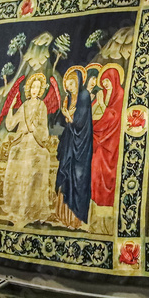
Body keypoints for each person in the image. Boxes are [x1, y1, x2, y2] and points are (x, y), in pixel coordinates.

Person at [2, 73, 55, 225]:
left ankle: (30, 208)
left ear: (40, 91)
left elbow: (44, 132)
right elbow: (11, 125)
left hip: (35, 141)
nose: (35, 90)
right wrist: (11, 108)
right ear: (29, 89)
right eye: (33, 87)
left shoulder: (42, 106)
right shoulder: (24, 106)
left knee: (33, 161)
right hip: (22, 140)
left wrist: (34, 129)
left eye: (38, 87)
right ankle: (16, 206)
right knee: (14, 155)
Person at [55, 67, 93, 227]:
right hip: (70, 142)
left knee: (78, 178)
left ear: (77, 81)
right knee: (66, 175)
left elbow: (80, 122)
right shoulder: (70, 99)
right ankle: (63, 217)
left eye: (70, 83)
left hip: (81, 145)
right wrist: (67, 118)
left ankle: (75, 218)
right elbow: (68, 124)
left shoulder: (84, 96)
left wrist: (69, 117)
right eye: (67, 85)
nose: (68, 87)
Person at [91, 66, 124, 208]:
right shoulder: (102, 94)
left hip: (112, 140)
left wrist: (102, 107)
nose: (105, 84)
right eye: (103, 81)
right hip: (99, 137)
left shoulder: (120, 94)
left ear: (114, 80)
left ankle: (107, 202)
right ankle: (95, 200)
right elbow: (91, 114)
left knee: (109, 171)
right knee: (95, 166)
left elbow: (115, 117)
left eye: (107, 80)